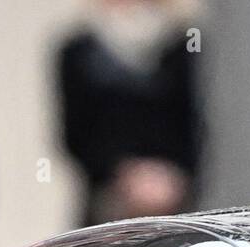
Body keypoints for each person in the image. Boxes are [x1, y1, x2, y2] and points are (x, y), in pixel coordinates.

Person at [57, 0, 203, 226]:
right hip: (108, 197)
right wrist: (124, 174)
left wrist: (169, 177)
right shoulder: (78, 50)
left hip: (171, 198)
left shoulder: (183, 44)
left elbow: (193, 123)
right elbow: (74, 133)